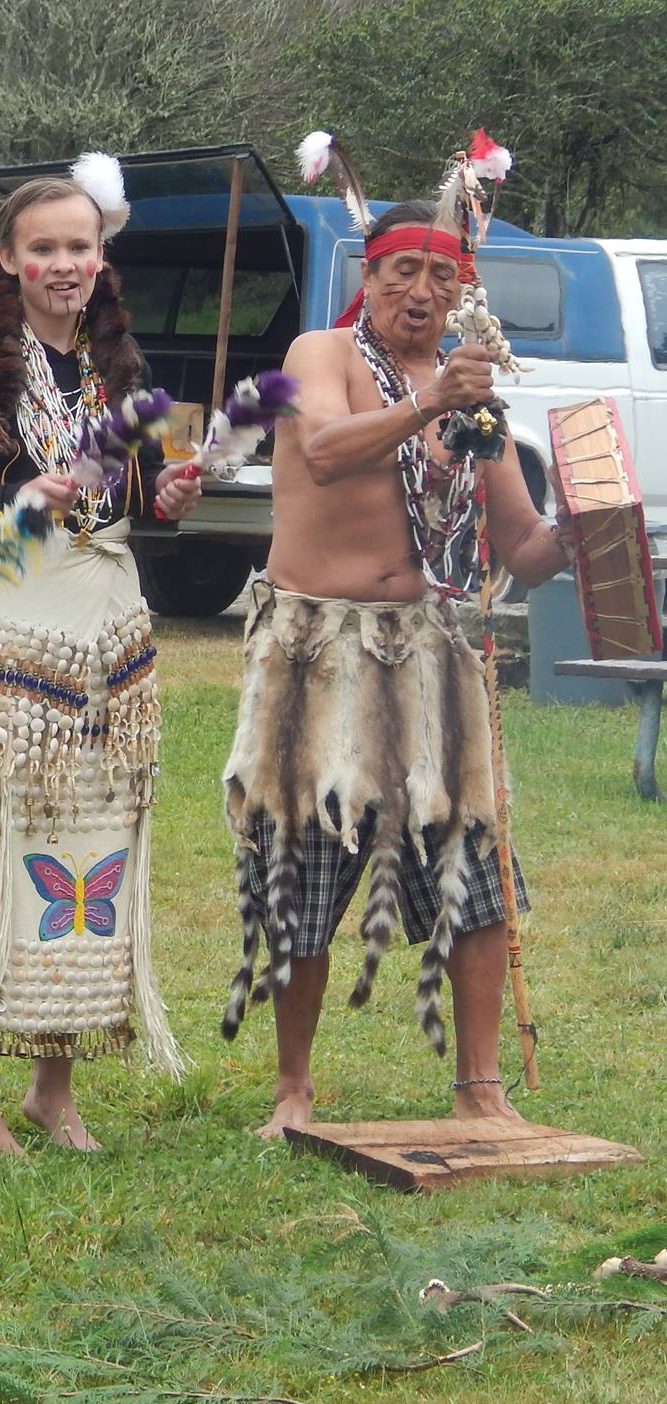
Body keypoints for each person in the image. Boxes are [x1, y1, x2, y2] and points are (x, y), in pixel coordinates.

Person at [221, 168, 569, 1138]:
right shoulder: (317, 352)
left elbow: (521, 546)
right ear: (366, 279)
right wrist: (429, 406)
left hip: (430, 651)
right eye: (400, 272)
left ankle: (478, 1086)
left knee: (470, 861)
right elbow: (326, 451)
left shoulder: (471, 395)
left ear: (460, 292)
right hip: (316, 647)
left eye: (438, 277)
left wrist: (588, 532)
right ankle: (291, 1089)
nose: (419, 292)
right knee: (302, 861)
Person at [0, 158, 197, 1157]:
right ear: (6, 259)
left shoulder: (121, 376)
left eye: (78, 247)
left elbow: (132, 504)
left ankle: (51, 1087)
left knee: (87, 852)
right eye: (43, 248)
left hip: (110, 638)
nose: (62, 264)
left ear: (100, 256)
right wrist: (14, 503)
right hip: (9, 642)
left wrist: (167, 498)